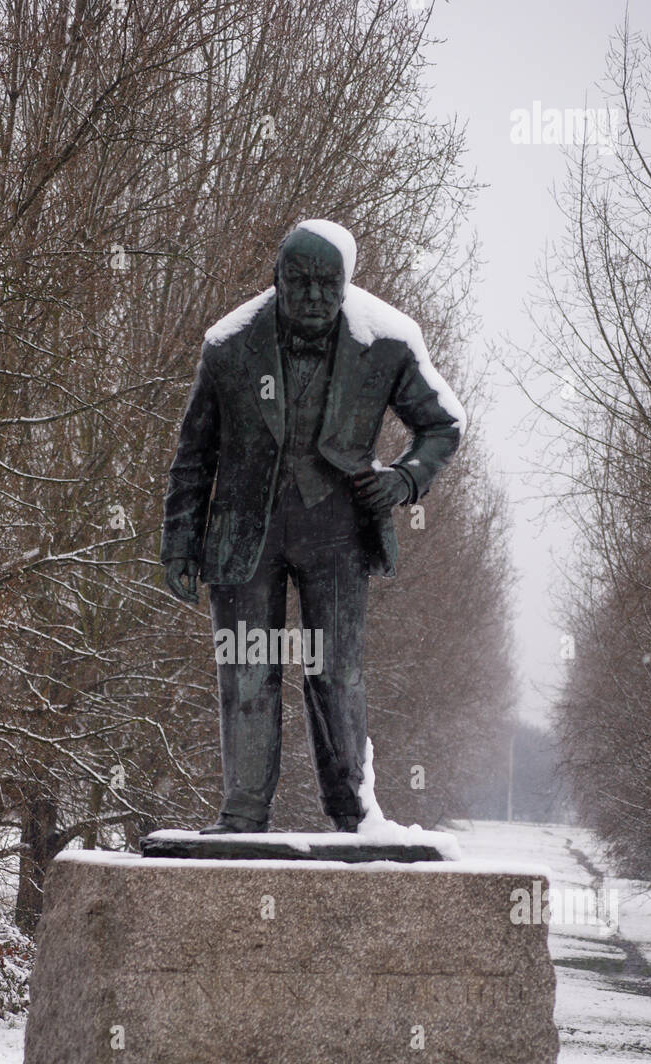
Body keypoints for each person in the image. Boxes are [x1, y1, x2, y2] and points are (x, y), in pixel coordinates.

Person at [161, 218, 465, 833]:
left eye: (327, 284)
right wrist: (179, 542)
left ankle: (352, 811)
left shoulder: (387, 342)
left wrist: (404, 479)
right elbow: (195, 453)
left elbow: (443, 424)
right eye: (298, 282)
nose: (312, 297)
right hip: (245, 531)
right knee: (248, 666)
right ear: (276, 277)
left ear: (346, 285)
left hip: (338, 529)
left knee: (335, 670)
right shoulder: (228, 346)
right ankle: (244, 810)